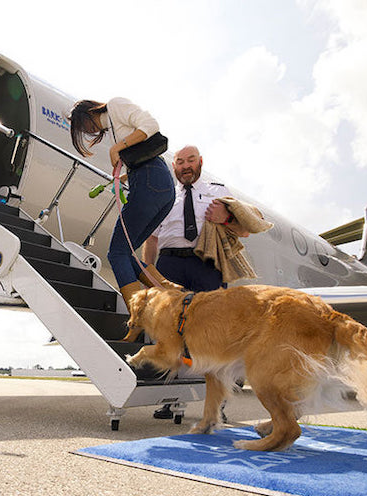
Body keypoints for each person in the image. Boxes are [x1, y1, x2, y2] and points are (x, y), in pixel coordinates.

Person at [142, 145, 245, 420]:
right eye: (180, 162)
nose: (185, 166)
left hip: (206, 265)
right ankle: (169, 398)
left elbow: (244, 229)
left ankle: (217, 404)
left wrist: (226, 218)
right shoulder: (163, 196)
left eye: (190, 160)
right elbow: (151, 240)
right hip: (169, 264)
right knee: (168, 334)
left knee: (213, 335)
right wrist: (149, 277)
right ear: (173, 166)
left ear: (200, 162)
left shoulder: (218, 191)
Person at [69, 98, 178, 305]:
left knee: (117, 253)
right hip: (159, 185)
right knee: (127, 253)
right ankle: (170, 292)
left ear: (87, 113)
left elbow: (151, 126)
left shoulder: (115, 106)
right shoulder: (112, 127)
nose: (87, 131)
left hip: (149, 179)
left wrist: (116, 148)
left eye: (82, 125)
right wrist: (121, 177)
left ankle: (138, 315)